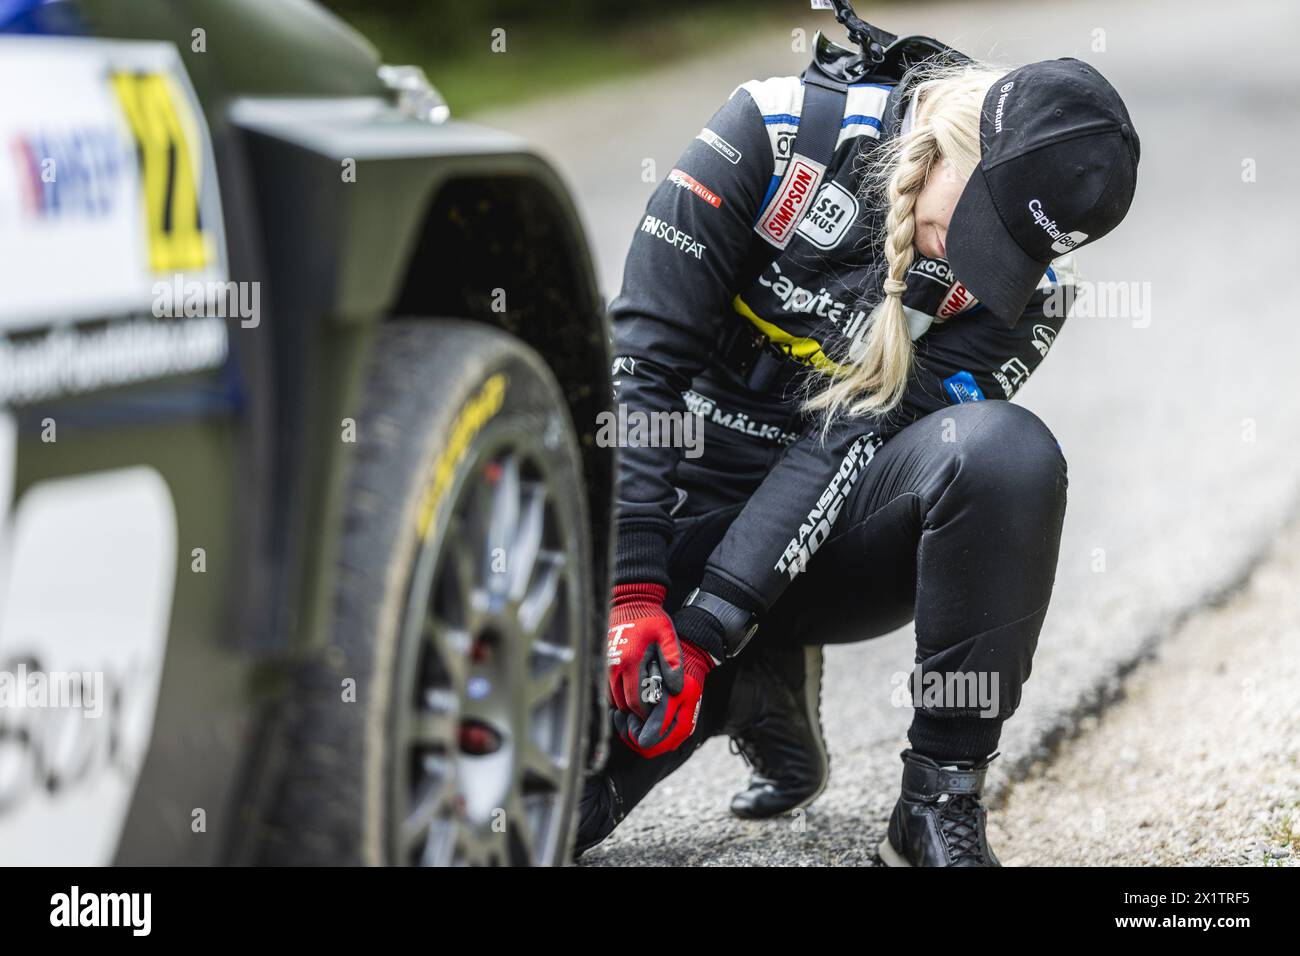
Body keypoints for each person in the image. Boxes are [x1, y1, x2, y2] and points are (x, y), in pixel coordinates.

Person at [581, 34, 1140, 866]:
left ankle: (936, 801)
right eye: (980, 227)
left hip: (810, 545)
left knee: (1001, 456)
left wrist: (703, 634)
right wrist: (632, 590)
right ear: (957, 143)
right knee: (537, 822)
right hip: (652, 517)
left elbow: (841, 448)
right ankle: (755, 682)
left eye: (1014, 257)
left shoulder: (1027, 302)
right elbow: (642, 366)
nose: (970, 263)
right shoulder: (772, 134)